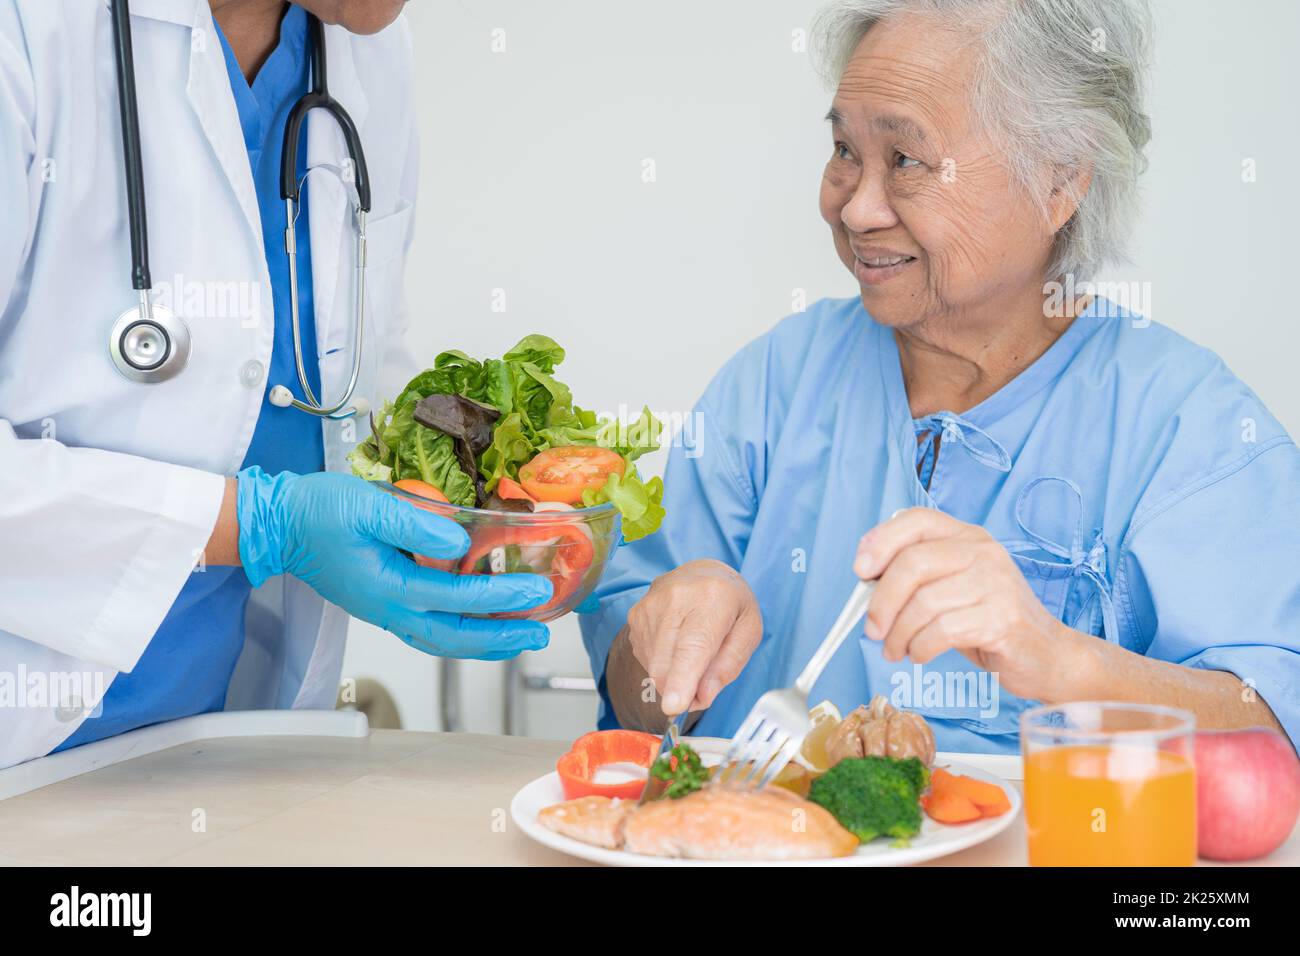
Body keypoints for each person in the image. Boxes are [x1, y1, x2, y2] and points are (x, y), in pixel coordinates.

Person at [581, 0, 1300, 755]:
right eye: (844, 150)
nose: (855, 207)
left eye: (907, 160)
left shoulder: (1191, 428)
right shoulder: (772, 384)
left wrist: (1066, 661)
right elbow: (640, 707)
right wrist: (660, 651)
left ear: (1059, 183)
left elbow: (1274, 726)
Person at [0, 0, 551, 768]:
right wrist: (260, 524)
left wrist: (471, 496)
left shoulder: (366, 45)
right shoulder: (28, 30)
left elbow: (358, 348)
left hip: (227, 740)